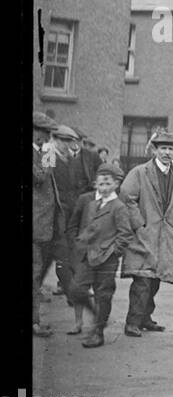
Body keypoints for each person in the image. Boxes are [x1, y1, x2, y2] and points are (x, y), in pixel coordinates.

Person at [119, 130, 173, 337]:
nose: (167, 153)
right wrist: (140, 225)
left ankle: (145, 318)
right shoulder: (140, 172)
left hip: (165, 237)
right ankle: (132, 322)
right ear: (155, 150)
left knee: (155, 280)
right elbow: (126, 197)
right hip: (145, 236)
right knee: (142, 280)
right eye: (163, 148)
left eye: (171, 149)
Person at [67, 163, 133, 348]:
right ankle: (98, 316)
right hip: (88, 256)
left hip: (107, 259)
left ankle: (98, 333)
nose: (103, 188)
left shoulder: (118, 207)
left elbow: (125, 234)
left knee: (103, 295)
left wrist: (113, 252)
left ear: (115, 185)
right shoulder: (91, 204)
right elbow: (86, 228)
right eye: (100, 184)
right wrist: (80, 244)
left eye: (107, 184)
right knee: (75, 289)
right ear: (95, 184)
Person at [51, 125, 91, 305]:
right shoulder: (49, 157)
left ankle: (72, 292)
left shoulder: (71, 160)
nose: (67, 145)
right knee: (61, 254)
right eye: (64, 141)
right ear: (55, 140)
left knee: (70, 253)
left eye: (70, 141)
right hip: (55, 214)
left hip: (71, 214)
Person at [32, 111, 62, 336]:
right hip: (35, 224)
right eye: (46, 133)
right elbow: (40, 177)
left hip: (43, 224)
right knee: (34, 273)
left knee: (36, 272)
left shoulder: (42, 151)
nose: (48, 138)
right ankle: (34, 322)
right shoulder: (42, 152)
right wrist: (47, 153)